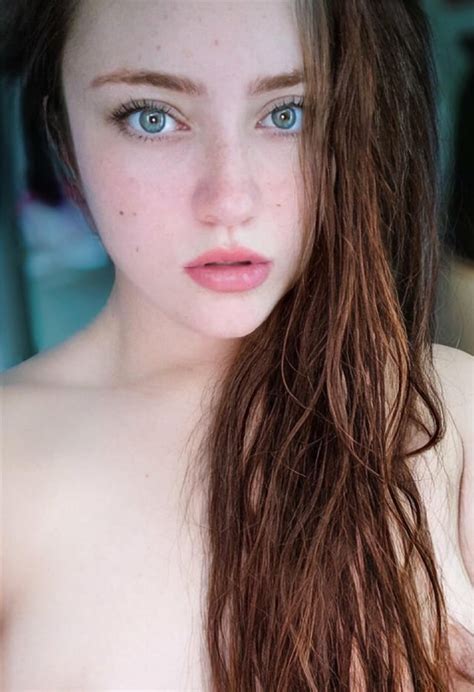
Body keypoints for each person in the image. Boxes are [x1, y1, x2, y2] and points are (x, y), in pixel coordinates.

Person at [0, 1, 473, 689]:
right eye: (152, 116)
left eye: (288, 113)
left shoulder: (451, 415)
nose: (229, 199)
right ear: (62, 133)